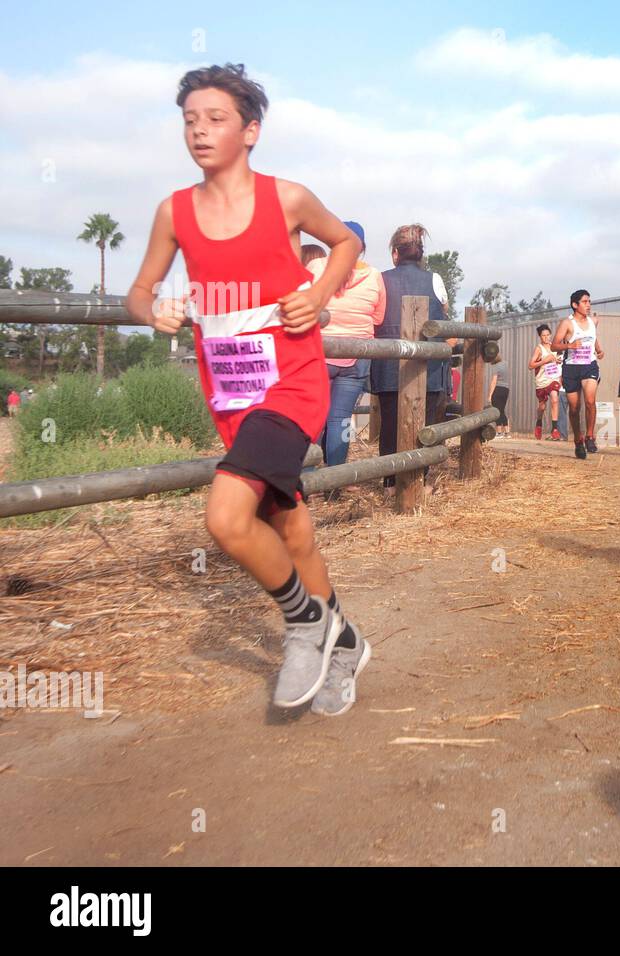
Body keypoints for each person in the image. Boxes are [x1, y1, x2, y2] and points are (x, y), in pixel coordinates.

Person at [125, 63, 369, 717]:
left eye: (216, 119)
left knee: (226, 518)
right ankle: (344, 642)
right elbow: (139, 291)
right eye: (189, 120)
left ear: (251, 129)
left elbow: (344, 241)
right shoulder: (174, 212)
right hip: (231, 392)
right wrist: (156, 311)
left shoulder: (286, 199)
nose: (199, 131)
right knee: (290, 533)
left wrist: (317, 294)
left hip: (292, 384)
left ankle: (303, 625)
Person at [375, 224, 456, 487]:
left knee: (390, 424)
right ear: (420, 255)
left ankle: (390, 480)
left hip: (388, 365)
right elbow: (443, 316)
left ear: (395, 253)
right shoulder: (435, 280)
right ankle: (418, 478)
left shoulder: (380, 279)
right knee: (423, 423)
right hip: (427, 367)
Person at [307, 220, 384, 471]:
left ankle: (307, 476)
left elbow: (304, 303)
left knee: (313, 417)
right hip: (357, 353)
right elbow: (378, 317)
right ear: (362, 248)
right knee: (341, 420)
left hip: (320, 351)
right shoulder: (374, 276)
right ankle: (337, 475)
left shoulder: (317, 266)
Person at [554, 289, 604, 458]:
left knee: (590, 401)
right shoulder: (567, 324)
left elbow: (593, 336)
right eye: (584, 302)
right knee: (574, 408)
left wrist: (598, 349)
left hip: (589, 365)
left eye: (589, 301)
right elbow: (554, 345)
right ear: (575, 305)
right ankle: (578, 440)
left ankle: (590, 436)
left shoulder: (594, 321)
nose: (588, 305)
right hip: (571, 368)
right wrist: (569, 346)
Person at [529, 324, 563, 440]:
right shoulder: (539, 349)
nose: (546, 337)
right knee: (542, 407)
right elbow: (530, 365)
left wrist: (557, 361)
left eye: (548, 335)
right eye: (543, 335)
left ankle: (554, 429)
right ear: (540, 337)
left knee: (554, 399)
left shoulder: (554, 347)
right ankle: (539, 423)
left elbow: (558, 360)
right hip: (541, 380)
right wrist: (544, 361)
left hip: (553, 378)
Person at [488, 355, 510, 438]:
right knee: (502, 410)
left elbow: (494, 381)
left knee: (497, 411)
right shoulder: (505, 364)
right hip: (506, 389)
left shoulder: (496, 366)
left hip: (498, 389)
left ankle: (499, 432)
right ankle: (507, 432)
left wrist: (490, 395)